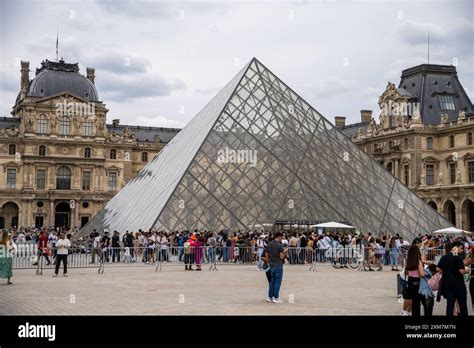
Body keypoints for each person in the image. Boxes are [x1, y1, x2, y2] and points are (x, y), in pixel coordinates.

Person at [437, 242, 469, 316]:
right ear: (456, 247)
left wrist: (445, 271)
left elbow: (438, 268)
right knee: (463, 306)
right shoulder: (458, 257)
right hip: (459, 286)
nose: (462, 250)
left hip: (448, 285)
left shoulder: (444, 257)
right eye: (461, 248)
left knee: (450, 306)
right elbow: (461, 271)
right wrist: (467, 271)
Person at [404, 239, 428, 316]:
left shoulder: (409, 260)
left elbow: (407, 272)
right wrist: (426, 273)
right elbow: (421, 274)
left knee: (415, 303)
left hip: (411, 281)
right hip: (418, 283)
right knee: (424, 302)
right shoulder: (418, 260)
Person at [267, 232, 288, 304]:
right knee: (278, 282)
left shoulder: (269, 244)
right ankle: (276, 297)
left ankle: (270, 297)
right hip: (278, 264)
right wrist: (285, 253)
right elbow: (281, 257)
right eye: (282, 237)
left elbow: (267, 253)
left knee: (272, 281)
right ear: (279, 237)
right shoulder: (279, 245)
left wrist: (268, 261)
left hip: (271, 264)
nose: (282, 238)